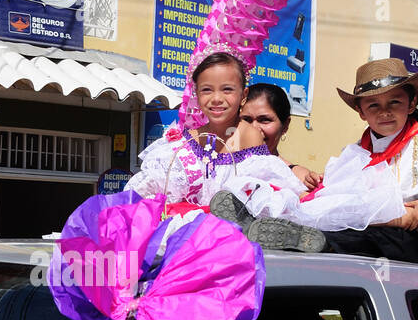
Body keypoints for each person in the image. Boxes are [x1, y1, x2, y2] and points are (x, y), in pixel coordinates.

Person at [126, 47, 322, 251]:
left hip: (228, 237)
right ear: (196, 93)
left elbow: (267, 176)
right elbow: (156, 186)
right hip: (188, 233)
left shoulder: (248, 135)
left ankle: (258, 229)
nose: (216, 98)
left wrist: (300, 186)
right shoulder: (184, 143)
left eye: (227, 89)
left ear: (243, 95)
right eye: (207, 90)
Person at [296, 58, 418, 262]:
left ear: (411, 105)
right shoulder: (354, 152)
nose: (385, 112)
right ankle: (305, 238)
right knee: (344, 229)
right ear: (361, 112)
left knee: (363, 239)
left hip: (402, 234)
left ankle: (321, 243)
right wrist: (322, 182)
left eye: (395, 102)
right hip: (360, 225)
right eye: (373, 105)